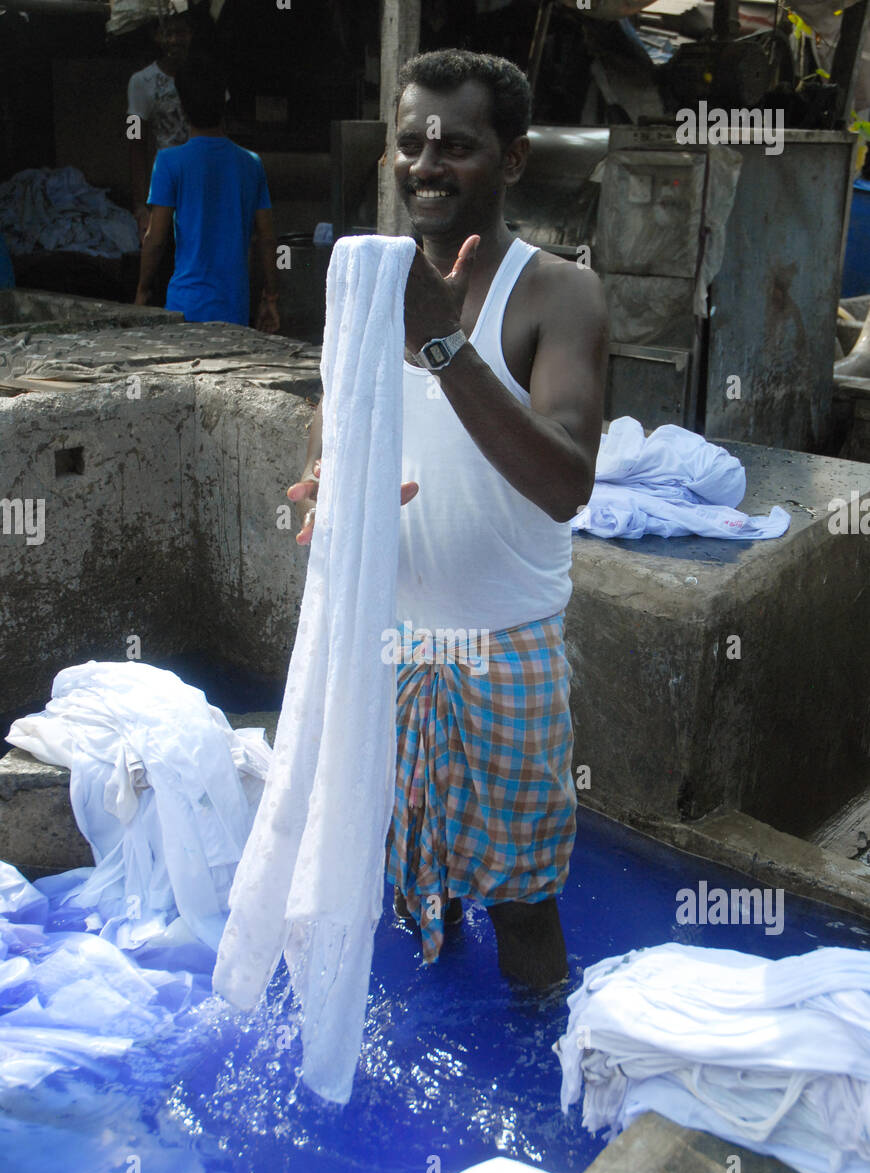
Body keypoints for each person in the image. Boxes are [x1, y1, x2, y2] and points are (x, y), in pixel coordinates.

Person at [289, 49, 608, 987]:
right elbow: (327, 427)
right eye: (410, 143)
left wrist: (441, 340)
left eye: (457, 146)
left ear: (511, 162)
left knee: (521, 904)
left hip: (503, 647)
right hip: (389, 644)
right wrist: (319, 482)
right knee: (404, 874)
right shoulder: (367, 285)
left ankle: (543, 1077)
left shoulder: (558, 294)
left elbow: (565, 482)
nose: (426, 164)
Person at [135, 57, 280, 333]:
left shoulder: (168, 162)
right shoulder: (251, 164)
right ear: (224, 102)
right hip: (233, 307)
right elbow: (267, 238)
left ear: (182, 105)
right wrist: (270, 297)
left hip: (185, 306)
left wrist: (142, 291)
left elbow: (155, 239)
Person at [127, 11, 193, 245]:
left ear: (191, 35)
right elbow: (135, 139)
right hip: (164, 187)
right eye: (169, 33)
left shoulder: (204, 75)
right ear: (158, 37)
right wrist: (140, 204)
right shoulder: (141, 82)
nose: (175, 40)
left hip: (200, 183)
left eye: (181, 33)